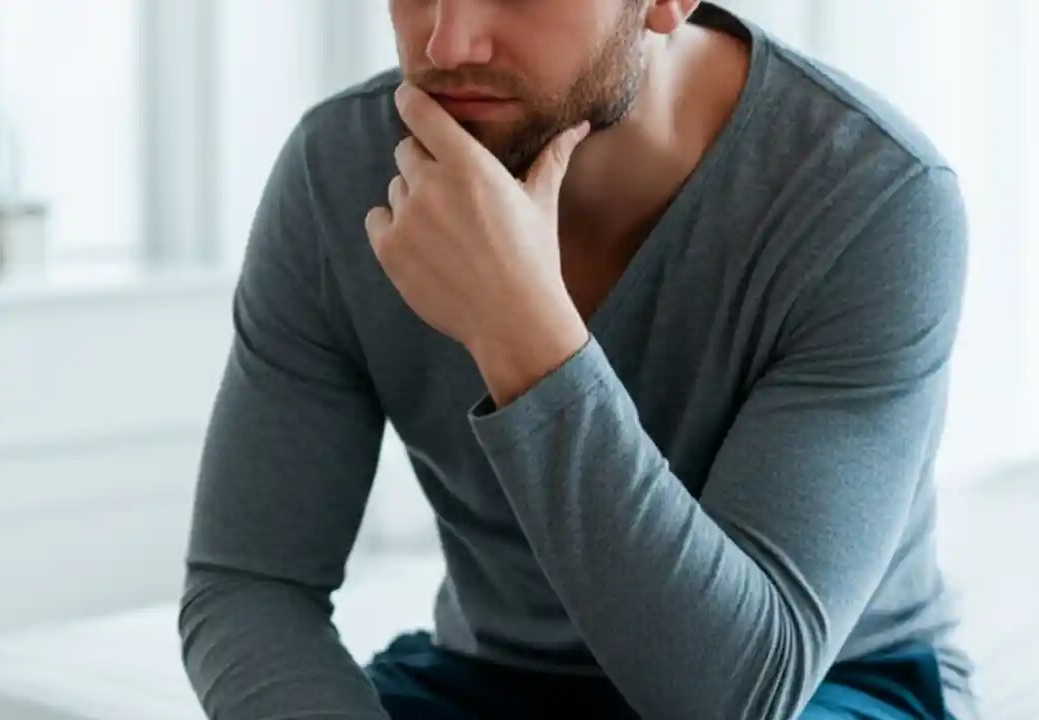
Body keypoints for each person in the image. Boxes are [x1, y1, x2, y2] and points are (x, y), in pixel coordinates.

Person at [179, 1, 975, 718]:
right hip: (492, 680)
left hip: (820, 683)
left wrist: (522, 331)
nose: (447, 41)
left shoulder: (873, 195)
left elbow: (741, 696)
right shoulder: (340, 175)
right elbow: (250, 586)